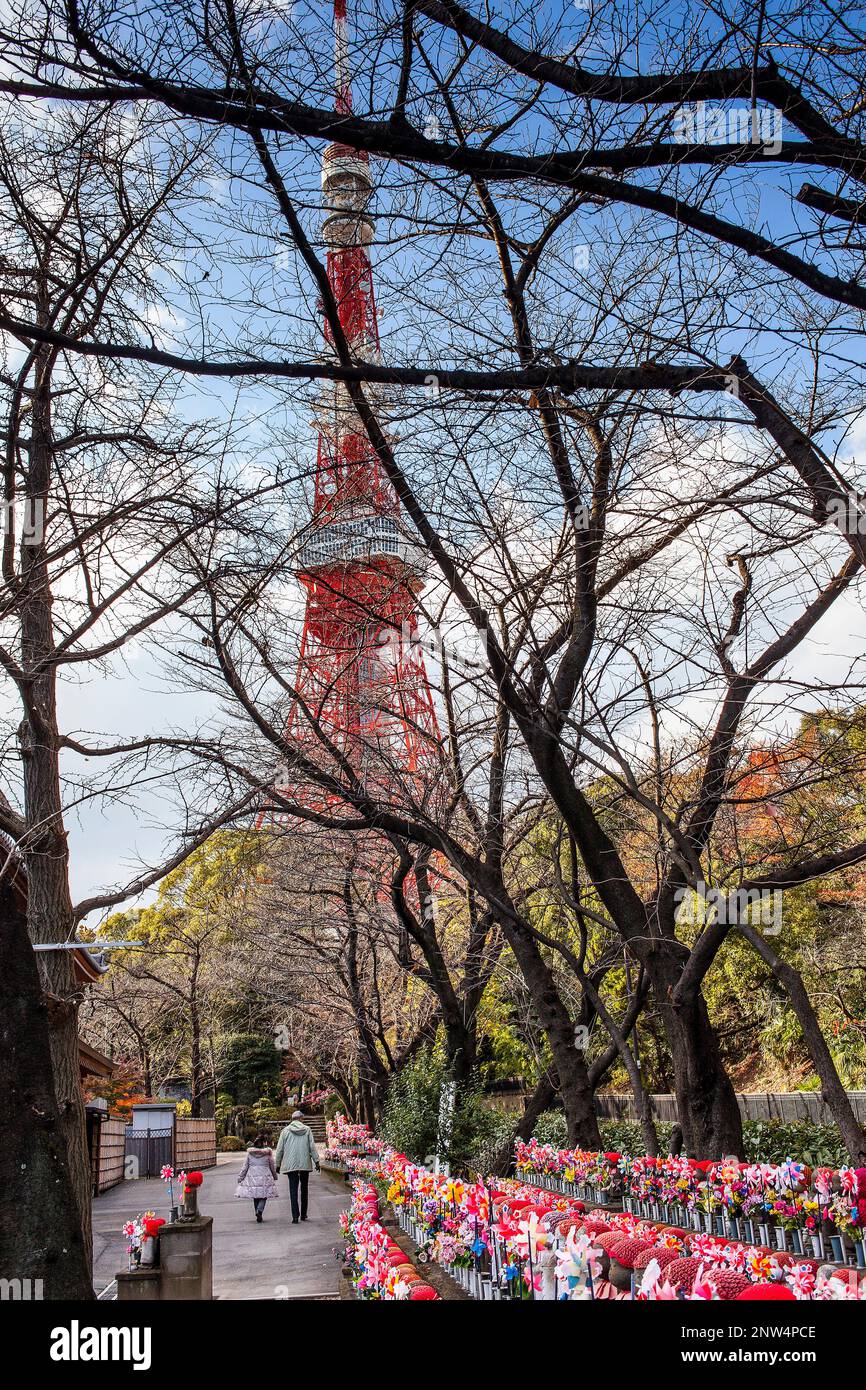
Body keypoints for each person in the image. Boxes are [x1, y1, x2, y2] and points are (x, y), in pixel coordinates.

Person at [274, 1110, 320, 1223]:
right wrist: (317, 1161)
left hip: (290, 1165)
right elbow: (312, 1147)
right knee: (304, 1189)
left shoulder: (285, 1131)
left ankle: (295, 1216)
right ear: (301, 1119)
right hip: (304, 1164)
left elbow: (279, 1149)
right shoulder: (307, 1130)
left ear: (292, 1119)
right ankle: (303, 1214)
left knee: (293, 1190)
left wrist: (278, 1164)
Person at [235, 1132, 280, 1222]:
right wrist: (275, 1176)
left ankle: (257, 1211)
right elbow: (272, 1166)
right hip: (265, 1177)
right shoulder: (268, 1154)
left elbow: (245, 1167)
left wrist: (240, 1177)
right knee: (263, 1196)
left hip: (252, 1178)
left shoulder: (250, 1154)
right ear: (264, 1143)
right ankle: (259, 1210)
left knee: (255, 1196)